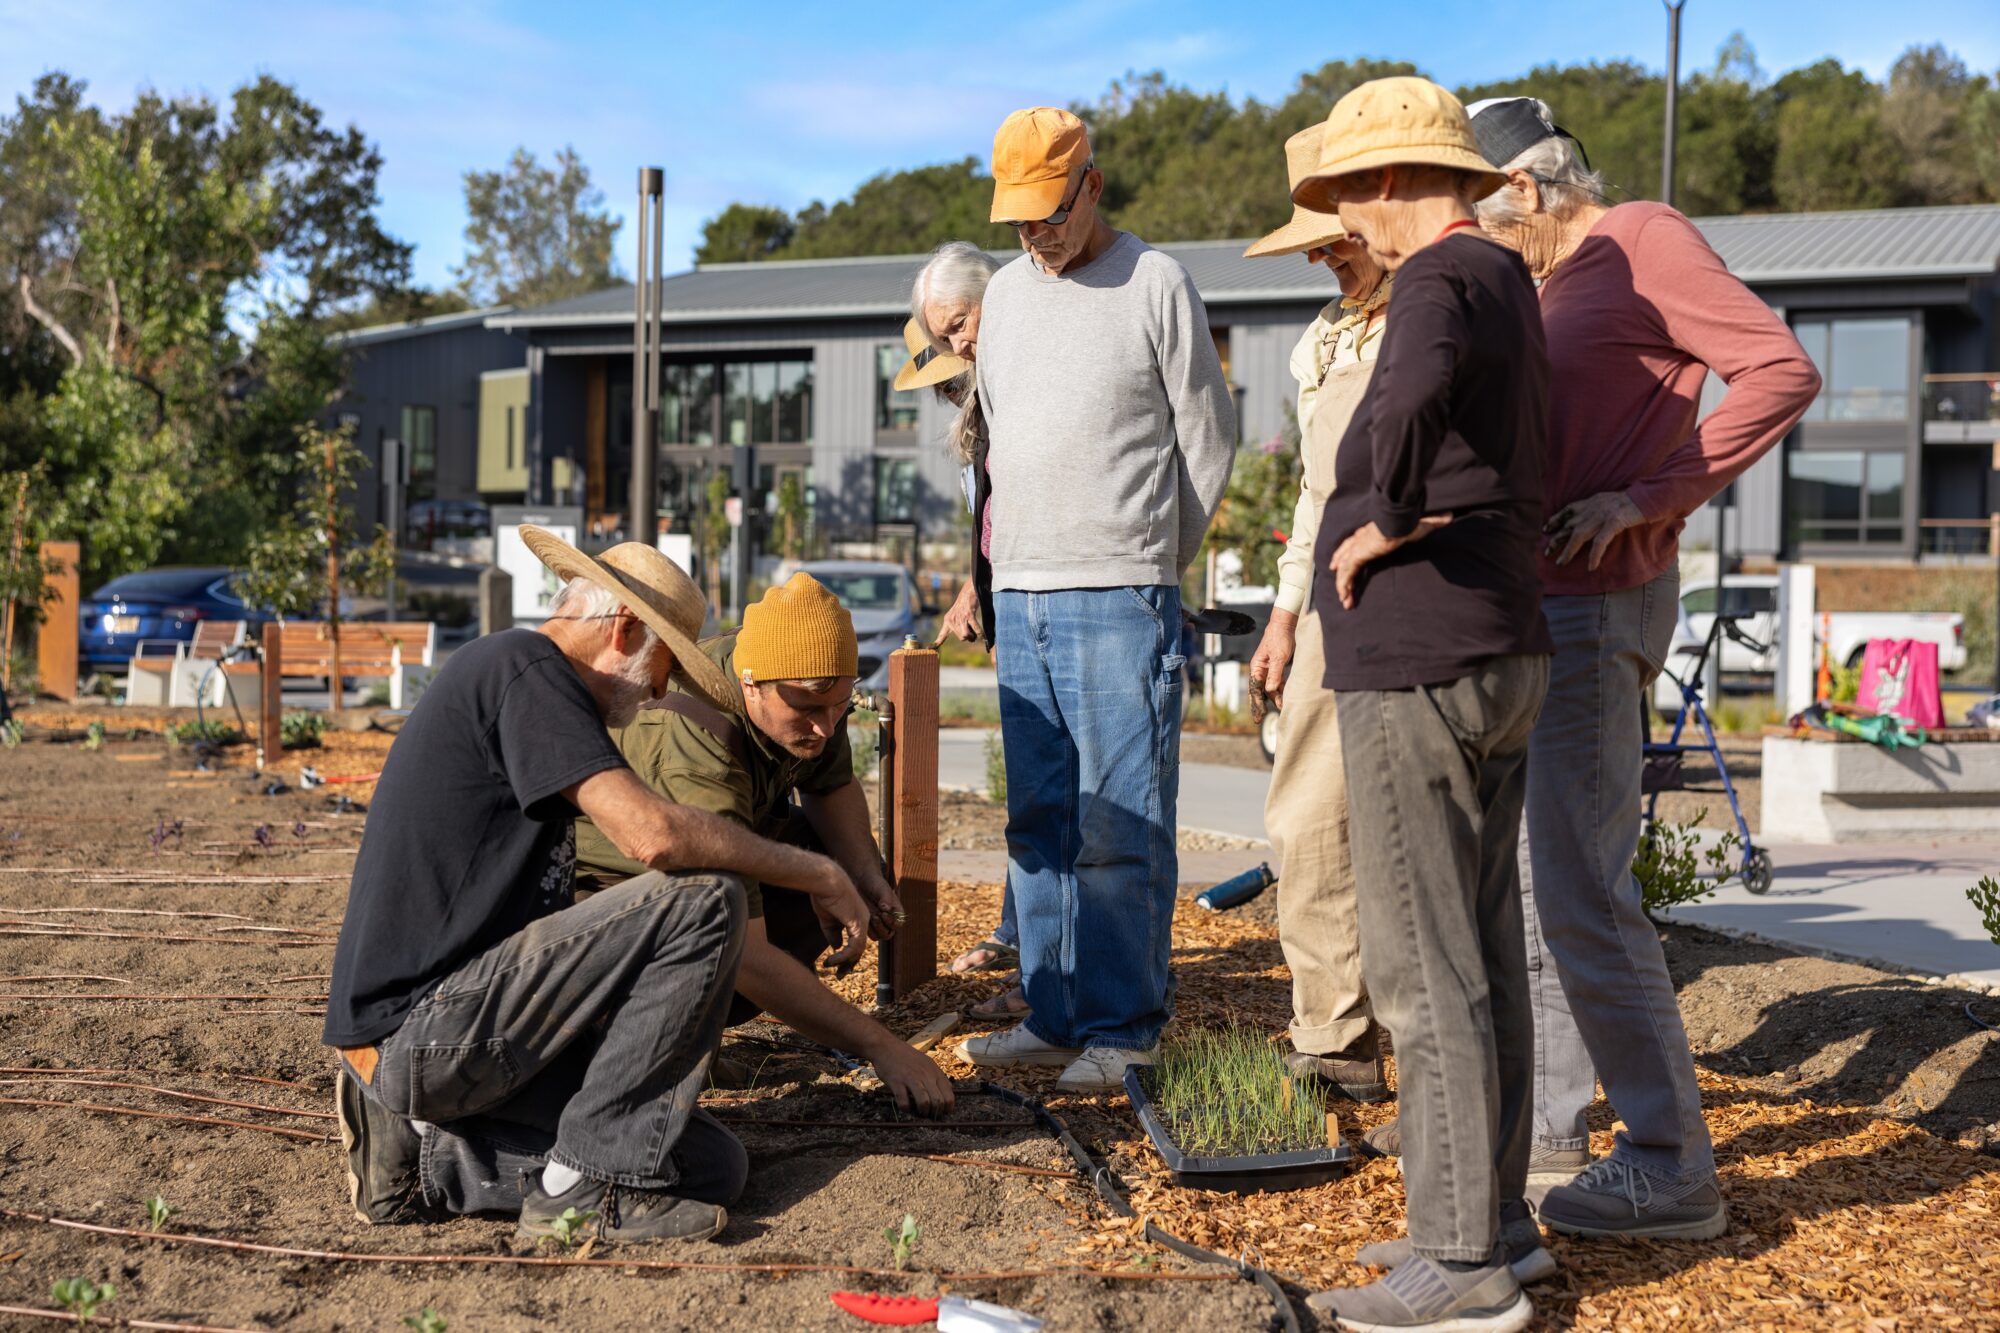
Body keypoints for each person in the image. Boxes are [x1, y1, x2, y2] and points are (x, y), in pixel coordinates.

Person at [1466, 95, 1821, 1242]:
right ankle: (1559, 1124)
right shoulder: (1544, 281)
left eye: (1476, 208)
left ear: (1525, 187)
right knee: (1535, 880)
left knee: (1583, 885)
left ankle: (1669, 1163)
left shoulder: (1641, 235)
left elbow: (1774, 370)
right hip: (1537, 606)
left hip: (1597, 600)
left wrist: (1647, 497)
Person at [322, 530, 877, 1246]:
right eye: (663, 667)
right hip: (417, 1031)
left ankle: (428, 1158)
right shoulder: (522, 668)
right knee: (706, 898)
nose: (656, 692)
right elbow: (655, 837)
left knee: (712, 1165)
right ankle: (588, 1184)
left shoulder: (542, 688)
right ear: (624, 629)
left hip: (466, 1032)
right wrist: (817, 870)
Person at [1290, 76, 1553, 1332]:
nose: (1348, 221)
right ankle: (1493, 1218)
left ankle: (1461, 1264)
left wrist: (1385, 514)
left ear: (1393, 181)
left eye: (1349, 194)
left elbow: (1407, 401)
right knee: (1484, 943)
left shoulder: (1438, 282)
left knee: (1419, 962)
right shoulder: (1510, 273)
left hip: (1416, 657)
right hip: (1502, 637)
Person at [957, 106, 1236, 1092]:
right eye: (1021, 217)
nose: (1037, 232)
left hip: (1119, 595)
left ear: (1094, 186)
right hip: (1021, 596)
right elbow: (995, 445)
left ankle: (1123, 1025)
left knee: (1119, 820)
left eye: (1051, 211)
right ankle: (1053, 1011)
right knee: (1037, 820)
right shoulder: (1002, 295)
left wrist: (1149, 557)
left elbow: (1208, 442)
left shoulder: (1153, 283)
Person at [573, 572, 956, 1117]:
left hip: (722, 845)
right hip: (602, 900)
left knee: (824, 863)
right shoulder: (696, 738)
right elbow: (742, 949)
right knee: (718, 918)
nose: (825, 728)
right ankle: (646, 1045)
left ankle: (691, 1036)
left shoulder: (806, 678)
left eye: (839, 708)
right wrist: (879, 1046)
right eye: (808, 710)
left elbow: (830, 784)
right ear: (750, 684)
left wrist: (862, 873)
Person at [1244, 123, 1393, 1106]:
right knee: (1305, 812)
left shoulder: (1426, 314)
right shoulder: (1321, 340)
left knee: (1399, 827)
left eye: (1332, 238)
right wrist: (1285, 613)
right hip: (1330, 602)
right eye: (1311, 243)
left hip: (1412, 593)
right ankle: (1331, 1024)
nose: (1317, 256)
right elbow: (1311, 492)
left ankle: (1391, 1034)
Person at [897, 245, 1025, 1015]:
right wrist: (970, 592)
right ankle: (1019, 931)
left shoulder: (1009, 394)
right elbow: (987, 519)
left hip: (1044, 605)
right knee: (1031, 791)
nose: (947, 386)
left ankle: (1029, 940)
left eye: (948, 365)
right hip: (1007, 607)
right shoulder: (977, 416)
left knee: (1052, 793)